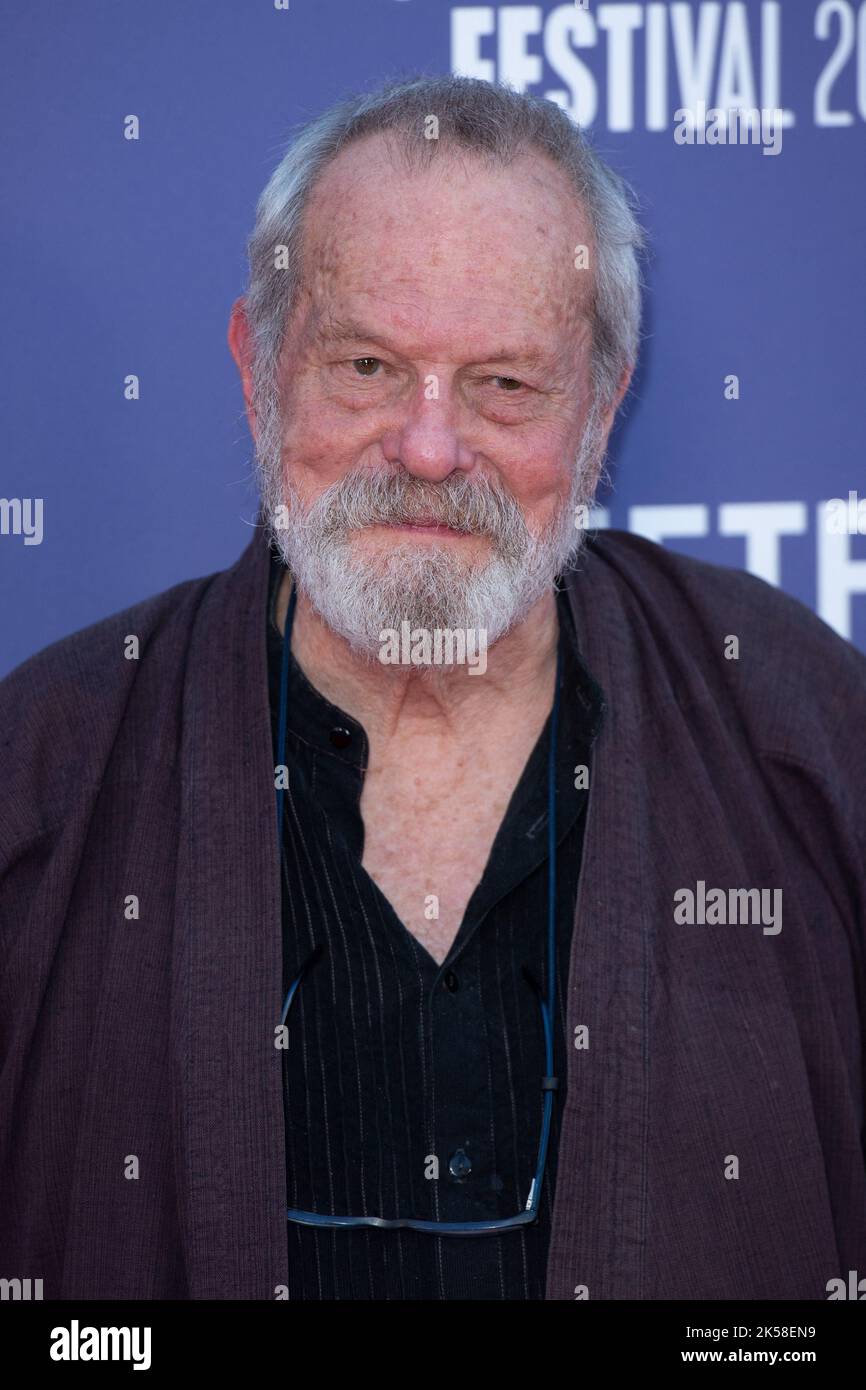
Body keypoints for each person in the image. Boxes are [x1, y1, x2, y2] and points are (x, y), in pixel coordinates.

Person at [1, 75, 864, 1302]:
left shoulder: (806, 737)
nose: (427, 447)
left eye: (505, 384)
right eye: (365, 364)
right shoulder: (45, 769)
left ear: (603, 405)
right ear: (259, 363)